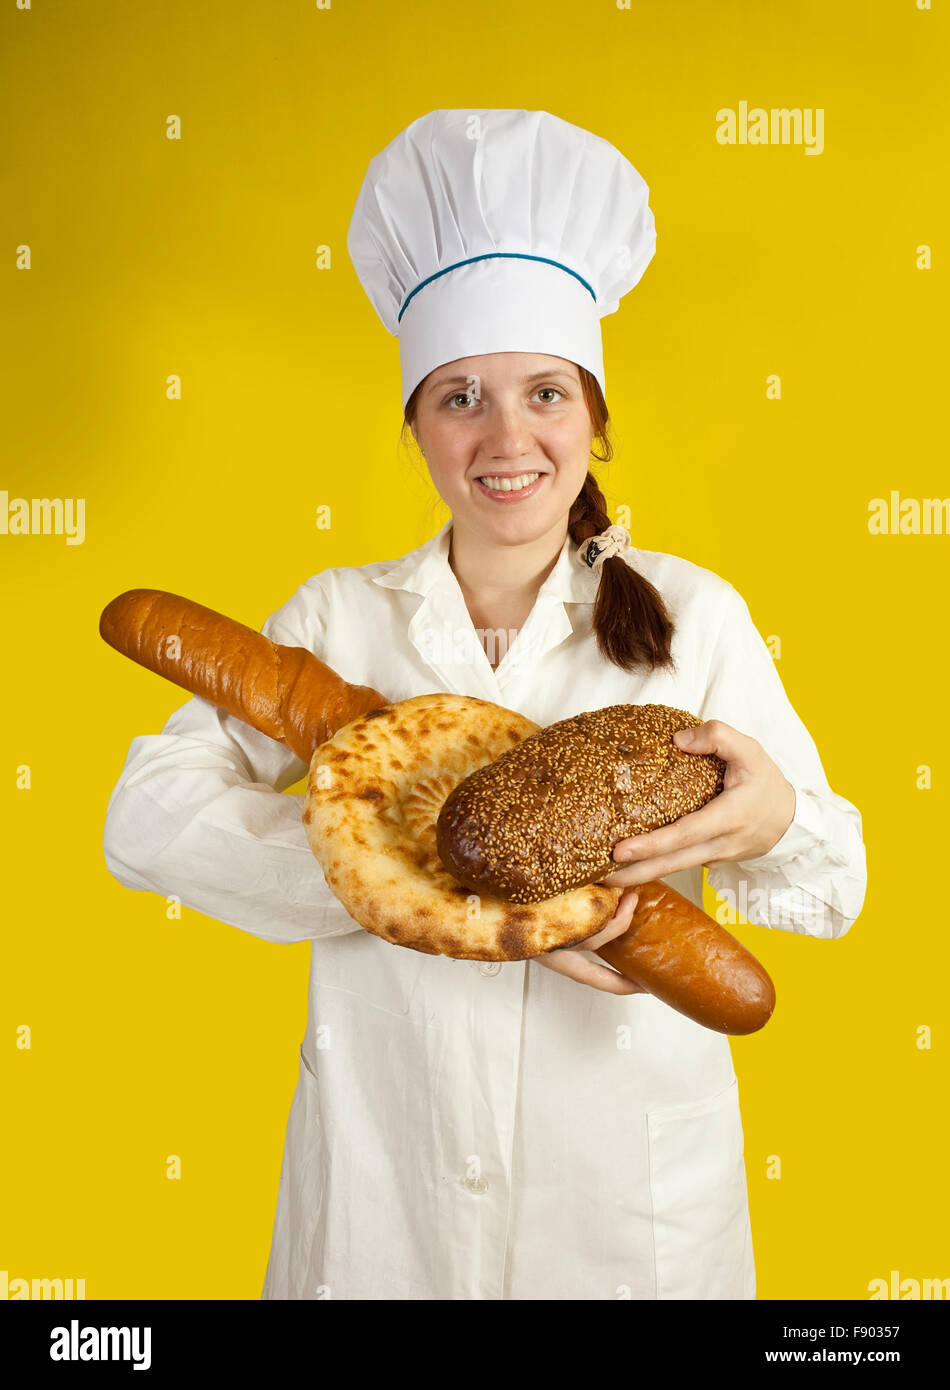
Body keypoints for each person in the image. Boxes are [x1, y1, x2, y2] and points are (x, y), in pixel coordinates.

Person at [101, 109, 867, 1300]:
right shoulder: (335, 616)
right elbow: (141, 817)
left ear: (594, 416)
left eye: (545, 393)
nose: (506, 437)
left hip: (630, 1221)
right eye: (459, 396)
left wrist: (771, 819)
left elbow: (833, 887)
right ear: (413, 426)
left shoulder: (695, 614)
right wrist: (419, 879)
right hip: (383, 1208)